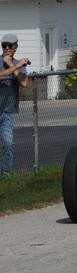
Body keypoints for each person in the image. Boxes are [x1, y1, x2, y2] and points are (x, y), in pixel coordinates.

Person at [0, 33, 31, 175]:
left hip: (7, 112)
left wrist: (12, 65)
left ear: (15, 48)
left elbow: (24, 82)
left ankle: (6, 174)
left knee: (8, 143)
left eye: (9, 46)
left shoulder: (18, 64)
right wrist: (15, 66)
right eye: (4, 46)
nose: (6, 48)